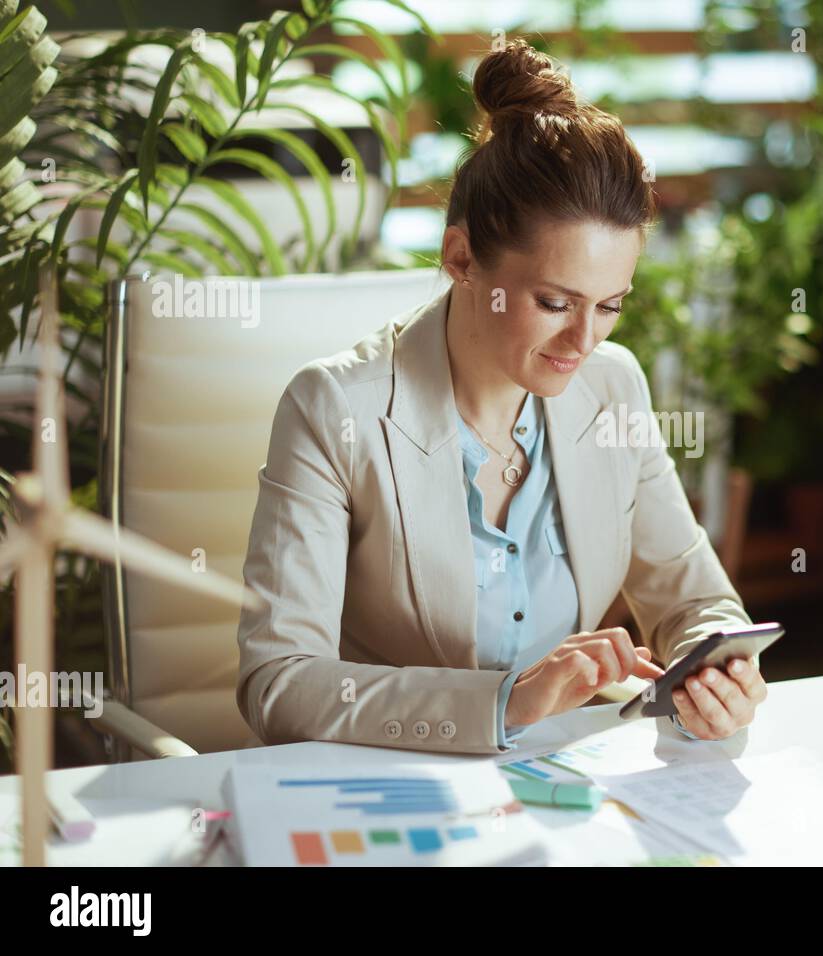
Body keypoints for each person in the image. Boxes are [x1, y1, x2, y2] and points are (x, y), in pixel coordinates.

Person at [235, 38, 766, 755]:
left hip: (557, 793)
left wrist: (719, 663)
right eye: (554, 301)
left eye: (610, 305)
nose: (583, 340)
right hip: (384, 795)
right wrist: (503, 704)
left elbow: (695, 599)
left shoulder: (613, 388)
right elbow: (278, 683)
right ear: (461, 259)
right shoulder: (334, 411)